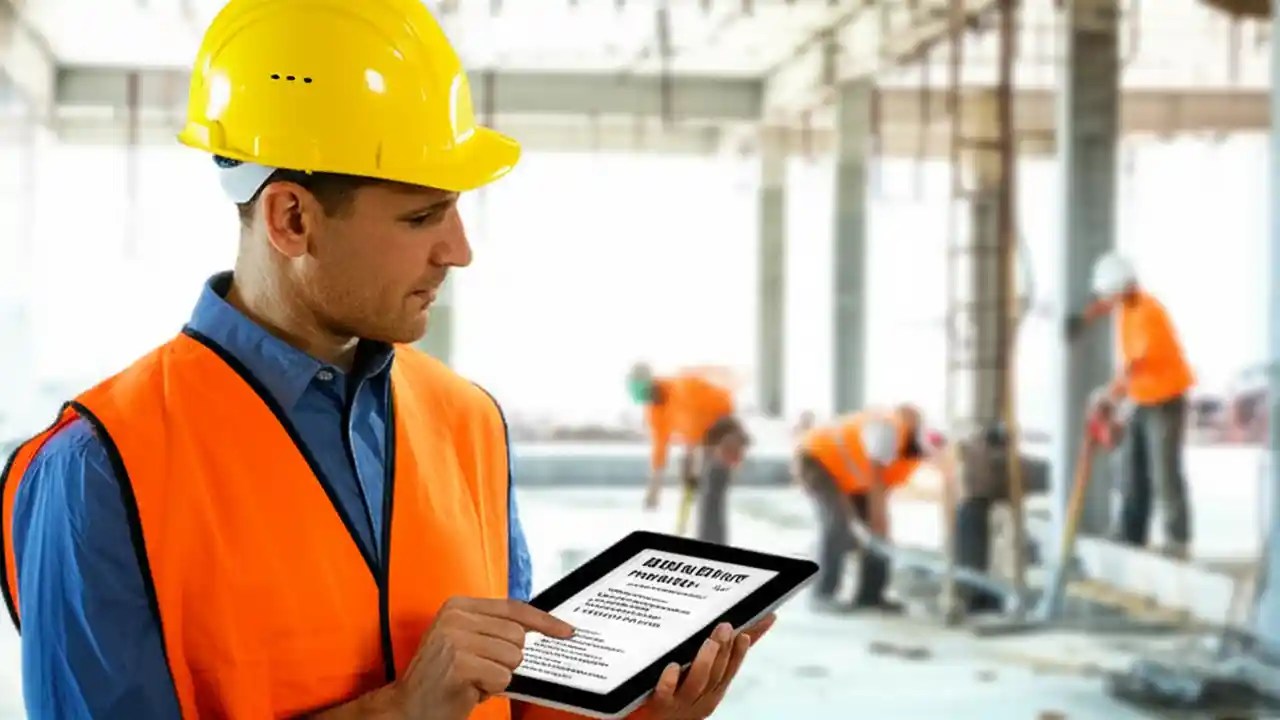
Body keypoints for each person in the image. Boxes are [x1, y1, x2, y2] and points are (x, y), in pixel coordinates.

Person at [0, 2, 774, 718]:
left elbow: (500, 697)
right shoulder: (102, 464)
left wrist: (627, 713)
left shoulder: (466, 419)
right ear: (292, 217)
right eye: (421, 215)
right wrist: (398, 711)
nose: (460, 251)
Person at [1066, 252, 1195, 560]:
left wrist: (1109, 397)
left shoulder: (1147, 313)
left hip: (1165, 401)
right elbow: (1101, 304)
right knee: (1131, 468)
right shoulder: (1126, 306)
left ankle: (1178, 540)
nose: (1107, 302)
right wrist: (1082, 318)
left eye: (1109, 295)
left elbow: (1133, 366)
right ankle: (1131, 534)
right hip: (1143, 400)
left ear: (1122, 288)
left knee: (1164, 472)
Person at [792, 405, 934, 613]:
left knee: (876, 533)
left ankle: (870, 596)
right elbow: (876, 481)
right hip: (818, 459)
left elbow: (883, 489)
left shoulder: (912, 453)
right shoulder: (888, 431)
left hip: (851, 478)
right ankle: (822, 594)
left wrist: (880, 525)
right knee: (838, 526)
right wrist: (879, 523)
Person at [626, 363, 748, 545]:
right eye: (645, 399)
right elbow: (660, 449)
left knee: (711, 492)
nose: (649, 401)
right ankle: (703, 544)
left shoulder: (684, 388)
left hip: (723, 432)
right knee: (699, 491)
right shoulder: (655, 411)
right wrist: (654, 489)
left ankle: (714, 550)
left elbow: (715, 413)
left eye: (649, 394)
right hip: (701, 442)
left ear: (652, 384)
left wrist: (696, 460)